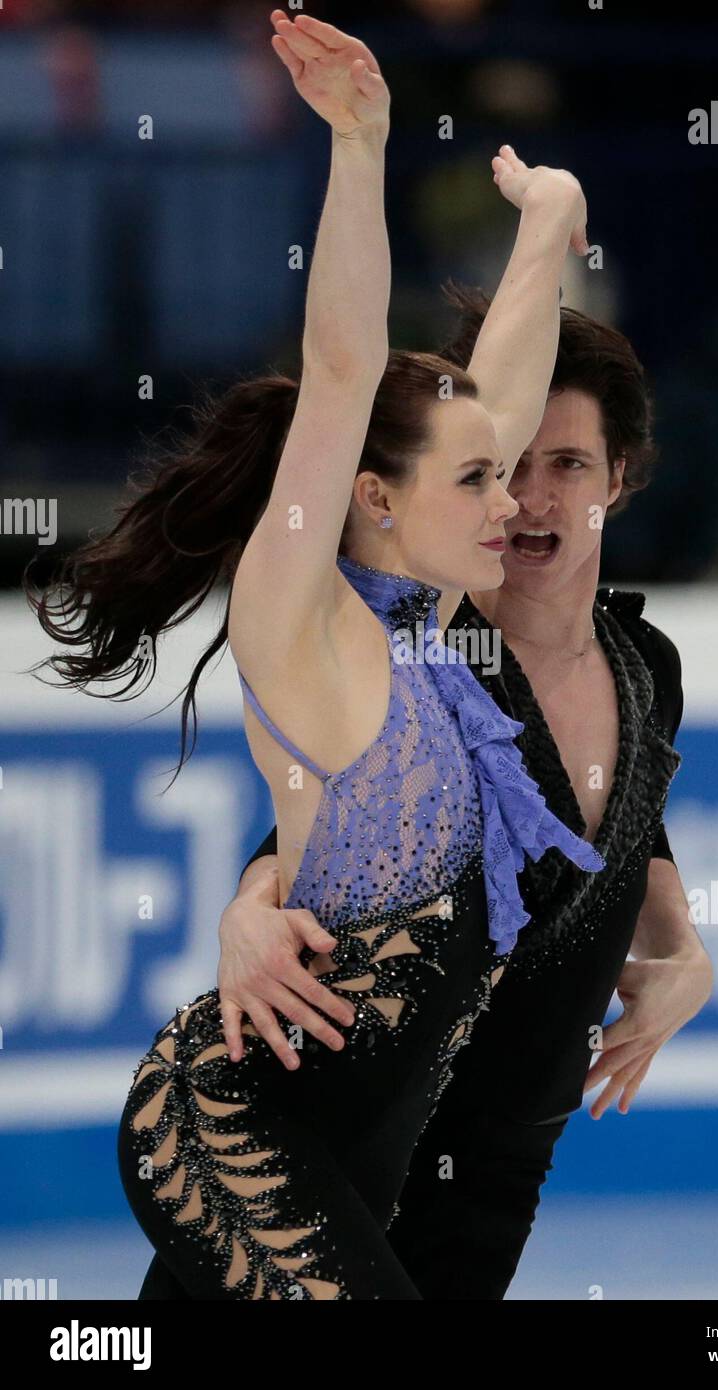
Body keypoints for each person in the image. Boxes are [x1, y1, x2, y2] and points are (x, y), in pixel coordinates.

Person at [26, 12, 605, 1300]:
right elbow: (343, 368)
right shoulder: (303, 617)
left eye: (500, 477)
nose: (508, 505)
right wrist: (359, 143)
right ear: (375, 500)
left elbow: (499, 380)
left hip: (347, 1157)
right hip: (232, 1132)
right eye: (475, 482)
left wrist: (544, 224)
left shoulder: (431, 631)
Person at [151, 292, 714, 1301]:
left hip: (501, 1157)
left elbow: (630, 825)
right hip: (364, 1116)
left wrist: (684, 950)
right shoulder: (431, 648)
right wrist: (247, 910)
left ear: (619, 481)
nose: (531, 500)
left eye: (569, 466)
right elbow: (327, 817)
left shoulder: (645, 666)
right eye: (508, 466)